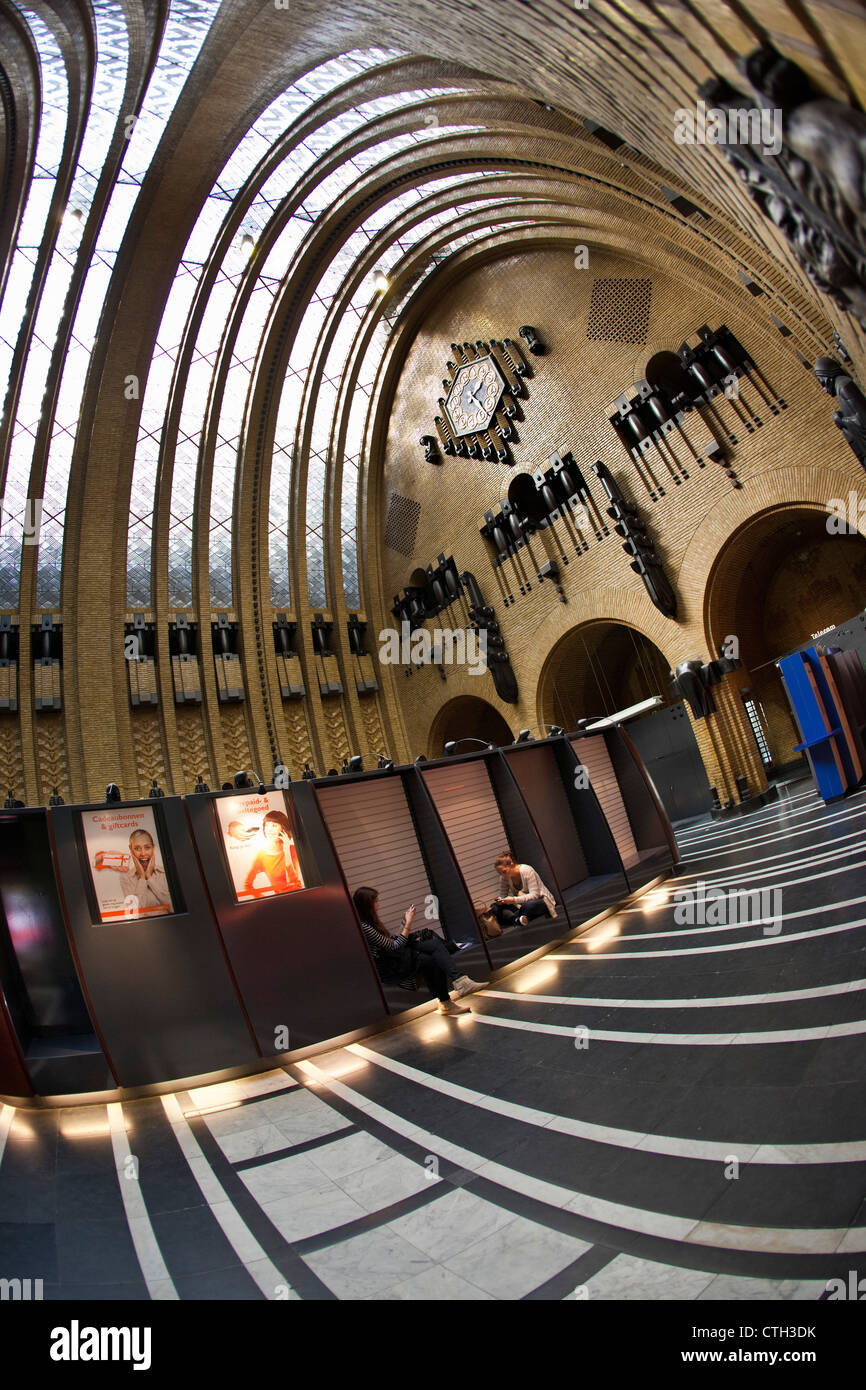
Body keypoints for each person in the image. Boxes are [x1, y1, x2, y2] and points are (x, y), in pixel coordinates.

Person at [352, 886, 486, 1015]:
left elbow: (393, 942)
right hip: (391, 965)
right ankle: (456, 986)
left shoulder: (371, 922)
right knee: (433, 952)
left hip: (396, 957)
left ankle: (454, 991)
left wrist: (404, 924)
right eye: (375, 901)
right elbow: (394, 946)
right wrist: (408, 924)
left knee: (433, 951)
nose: (378, 904)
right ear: (367, 906)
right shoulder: (365, 927)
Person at [243, 810, 303, 896]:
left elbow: (292, 884)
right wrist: (263, 900)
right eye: (267, 825)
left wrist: (286, 850)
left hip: (300, 898)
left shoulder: (293, 850)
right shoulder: (262, 856)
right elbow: (247, 885)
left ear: (283, 828)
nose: (269, 830)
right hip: (280, 903)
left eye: (274, 825)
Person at [490, 851, 557, 927]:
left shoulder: (526, 870)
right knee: (494, 907)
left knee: (528, 906)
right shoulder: (504, 878)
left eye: (504, 872)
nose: (502, 875)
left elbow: (535, 895)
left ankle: (514, 918)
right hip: (520, 905)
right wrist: (501, 900)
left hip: (540, 900)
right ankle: (518, 919)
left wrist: (513, 900)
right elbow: (503, 894)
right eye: (500, 873)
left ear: (511, 865)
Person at [117, 829, 172, 915]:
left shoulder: (165, 872)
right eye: (137, 848)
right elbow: (134, 913)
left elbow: (173, 907)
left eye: (147, 847)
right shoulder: (126, 878)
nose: (143, 853)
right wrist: (142, 878)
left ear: (153, 848)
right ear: (131, 849)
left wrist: (149, 878)